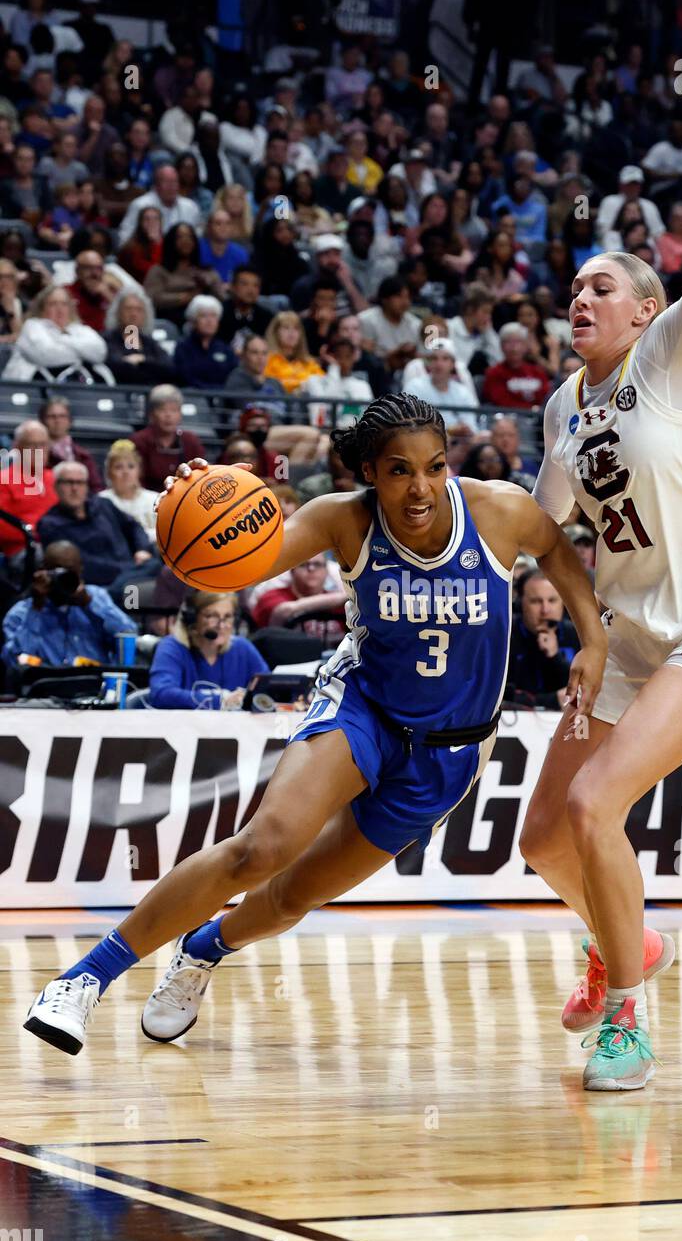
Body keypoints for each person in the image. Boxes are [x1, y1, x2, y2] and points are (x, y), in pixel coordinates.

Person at [23, 393, 606, 1057]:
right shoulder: (342, 520)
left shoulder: (499, 510)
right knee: (262, 849)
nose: (420, 488)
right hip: (364, 709)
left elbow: (558, 550)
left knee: (295, 896)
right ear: (366, 473)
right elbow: (227, 564)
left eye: (434, 466)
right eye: (398, 471)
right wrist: (179, 514)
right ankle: (81, 982)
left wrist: (592, 638)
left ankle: (203, 950)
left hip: (450, 752)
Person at [522, 10, 682, 1090]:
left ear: (641, 310)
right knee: (543, 840)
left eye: (599, 288)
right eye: (572, 286)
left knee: (594, 809)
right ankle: (624, 939)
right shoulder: (557, 409)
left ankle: (629, 1011)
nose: (578, 297)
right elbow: (542, 537)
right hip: (627, 639)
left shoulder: (670, 357)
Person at [2, 540, 136, 674]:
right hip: (47, 688)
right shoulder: (21, 613)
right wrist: (36, 609)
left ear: (80, 569)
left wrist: (89, 604)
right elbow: (13, 662)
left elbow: (129, 635)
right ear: (44, 570)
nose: (64, 578)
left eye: (70, 572)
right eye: (58, 572)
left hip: (95, 684)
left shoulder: (96, 597)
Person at [37, 460, 157, 595]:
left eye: (80, 482)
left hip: (132, 570)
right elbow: (82, 565)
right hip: (98, 583)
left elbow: (133, 526)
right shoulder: (49, 524)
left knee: (165, 566)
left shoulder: (103, 505)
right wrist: (126, 570)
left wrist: (142, 549)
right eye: (69, 482)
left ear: (86, 486)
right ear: (56, 487)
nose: (74, 488)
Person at [148, 591, 268, 709]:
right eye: (211, 616)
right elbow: (161, 694)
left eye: (227, 617)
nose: (221, 626)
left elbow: (269, 688)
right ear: (192, 618)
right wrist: (220, 700)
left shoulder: (242, 648)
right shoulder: (172, 646)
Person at [2, 285, 109, 383]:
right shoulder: (33, 326)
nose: (60, 309)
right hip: (31, 388)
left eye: (64, 304)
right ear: (42, 308)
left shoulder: (81, 329)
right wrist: (83, 354)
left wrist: (61, 340)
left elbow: (100, 352)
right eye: (53, 304)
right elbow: (45, 355)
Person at [505, 569, 579, 709]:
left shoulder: (577, 634)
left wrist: (554, 657)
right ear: (520, 603)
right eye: (536, 601)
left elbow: (582, 690)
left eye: (552, 600)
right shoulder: (506, 635)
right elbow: (501, 696)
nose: (545, 610)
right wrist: (550, 700)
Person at [247, 552, 348, 643]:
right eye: (303, 564)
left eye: (317, 564)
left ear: (327, 571)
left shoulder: (340, 603)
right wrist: (343, 597)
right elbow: (284, 611)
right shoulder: (272, 596)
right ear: (292, 571)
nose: (311, 569)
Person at [131, 385, 207, 492]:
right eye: (162, 410)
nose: (168, 415)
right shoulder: (139, 441)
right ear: (152, 414)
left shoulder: (191, 441)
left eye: (173, 410)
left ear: (180, 414)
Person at [0, 420, 58, 558]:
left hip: (58, 544)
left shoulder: (57, 478)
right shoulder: (4, 480)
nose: (39, 450)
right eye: (32, 445)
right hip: (23, 549)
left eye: (43, 444)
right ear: (17, 448)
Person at [99, 439, 158, 542]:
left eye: (131, 466)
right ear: (109, 473)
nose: (125, 472)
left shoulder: (155, 499)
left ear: (139, 471)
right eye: (118, 467)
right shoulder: (101, 500)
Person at [481, 323, 551, 409]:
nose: (514, 348)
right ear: (501, 346)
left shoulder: (538, 372)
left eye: (518, 342)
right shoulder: (494, 373)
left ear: (526, 346)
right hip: (508, 417)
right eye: (509, 342)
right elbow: (501, 402)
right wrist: (530, 408)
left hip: (539, 418)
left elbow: (548, 397)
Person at [39, 396, 103, 491]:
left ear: (70, 421)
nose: (57, 421)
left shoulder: (83, 456)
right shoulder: (35, 454)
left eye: (62, 416)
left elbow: (96, 488)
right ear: (43, 421)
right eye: (52, 416)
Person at [173, 295, 237, 389]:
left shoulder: (225, 349)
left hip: (223, 398)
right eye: (203, 316)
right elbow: (185, 379)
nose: (209, 321)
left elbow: (233, 377)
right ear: (193, 321)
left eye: (213, 316)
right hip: (194, 397)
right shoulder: (183, 348)